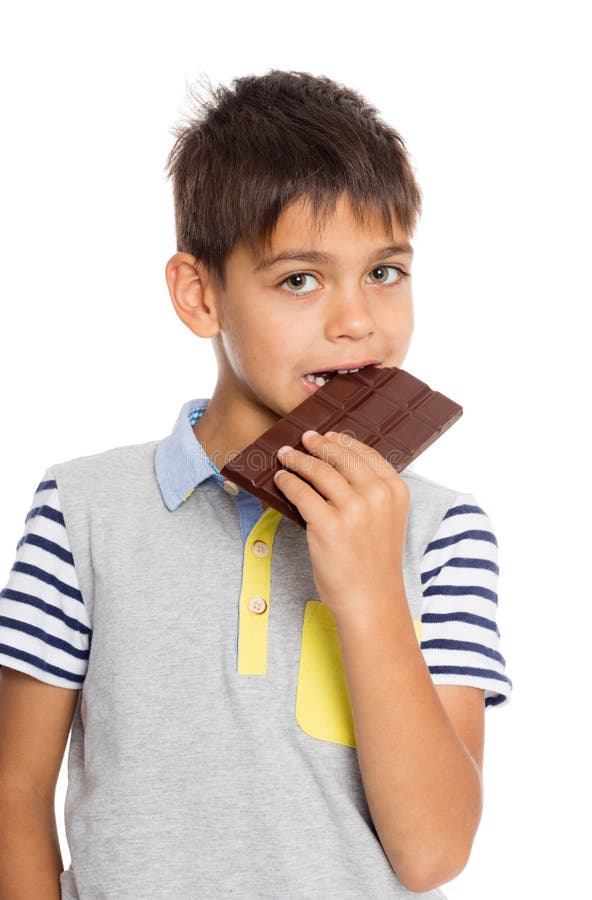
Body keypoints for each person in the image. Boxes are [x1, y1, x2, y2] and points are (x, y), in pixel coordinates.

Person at [0, 69, 512, 899]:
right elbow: (14, 793)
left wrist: (372, 587)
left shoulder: (442, 531)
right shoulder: (82, 512)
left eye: (384, 271)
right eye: (299, 280)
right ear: (201, 295)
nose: (357, 320)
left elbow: (433, 855)